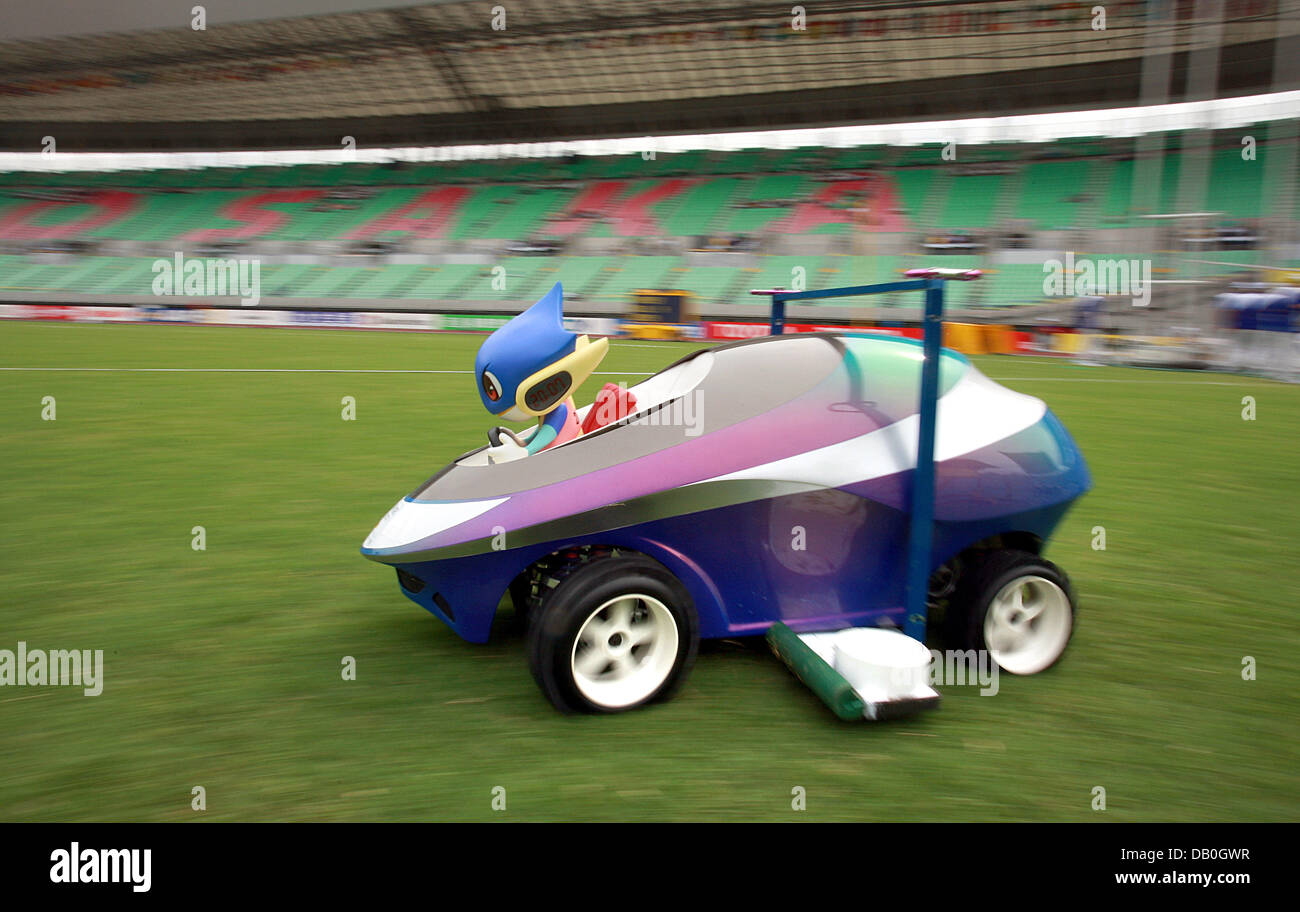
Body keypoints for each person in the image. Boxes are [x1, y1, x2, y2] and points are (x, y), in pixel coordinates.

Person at [474, 282, 634, 463]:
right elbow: (542, 431)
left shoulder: (557, 410)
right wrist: (522, 442)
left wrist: (525, 452)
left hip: (567, 456)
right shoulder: (550, 405)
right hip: (561, 452)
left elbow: (549, 433)